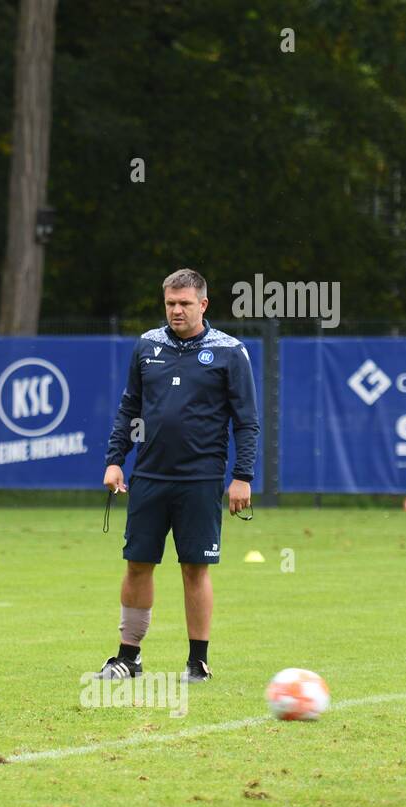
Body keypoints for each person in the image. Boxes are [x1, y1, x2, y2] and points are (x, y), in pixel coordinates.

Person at [98, 268, 258, 683]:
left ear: (203, 304)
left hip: (201, 479)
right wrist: (115, 459)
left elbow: (247, 422)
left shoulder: (229, 352)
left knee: (194, 568)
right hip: (148, 476)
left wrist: (242, 476)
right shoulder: (147, 346)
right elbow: (129, 407)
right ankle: (128, 658)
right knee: (137, 564)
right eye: (170, 303)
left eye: (185, 303)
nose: (176, 310)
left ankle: (197, 662)